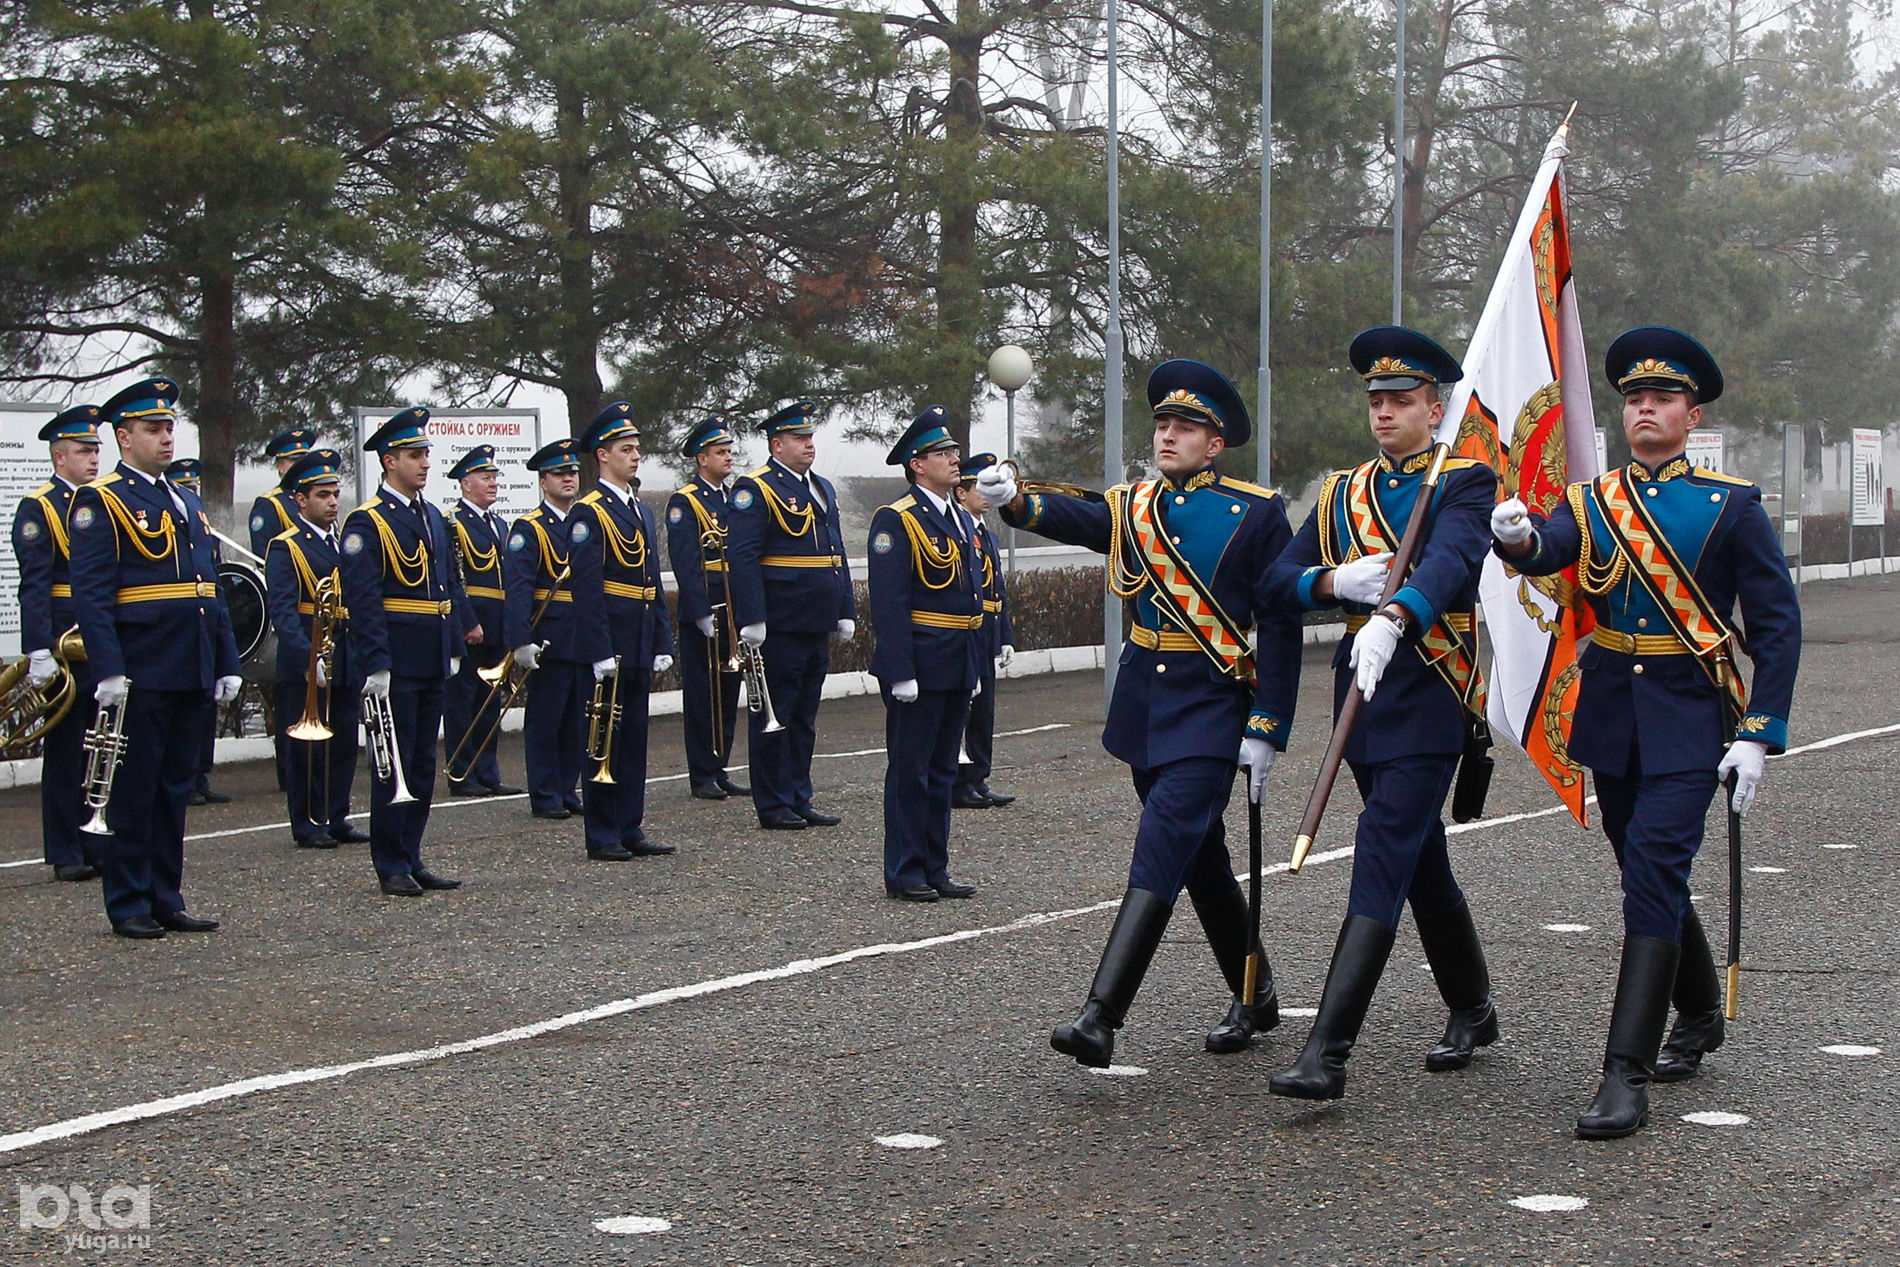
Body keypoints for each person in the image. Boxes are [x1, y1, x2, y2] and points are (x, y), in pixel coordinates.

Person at [1491, 326, 1801, 1139]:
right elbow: (1551, 549)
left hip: (1693, 718)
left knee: (1653, 873)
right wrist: (1520, 537)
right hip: (1614, 716)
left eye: (1661, 399)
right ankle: (1699, 1010)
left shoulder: (1730, 506)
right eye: (1633, 400)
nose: (1645, 410)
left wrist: (1760, 729)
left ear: (1691, 415)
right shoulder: (1596, 502)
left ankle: (1622, 1073)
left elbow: (1776, 626)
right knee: (1644, 867)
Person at [978, 359, 1300, 1065]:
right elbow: (1083, 515)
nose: (1168, 435)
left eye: (1185, 426)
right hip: (1148, 704)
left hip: (1213, 705)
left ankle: (1101, 1013)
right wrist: (1015, 501)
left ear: (1215, 444)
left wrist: (1269, 722)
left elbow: (1278, 622)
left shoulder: (1256, 511)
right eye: (1161, 423)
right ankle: (1257, 991)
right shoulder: (1135, 507)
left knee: (1162, 842)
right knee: (1201, 860)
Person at [1259, 327, 1501, 1102]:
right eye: (1377, 401)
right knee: (1418, 857)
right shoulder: (1341, 491)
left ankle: (1326, 1050)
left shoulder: (1464, 480)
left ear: (1437, 408)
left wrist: (1399, 612)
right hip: (1360, 697)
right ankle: (1473, 1005)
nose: (1386, 413)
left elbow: (1454, 559)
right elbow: (1277, 580)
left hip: (1431, 688)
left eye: (1403, 401)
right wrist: (1334, 584)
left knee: (1382, 849)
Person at [68, 378, 242, 938]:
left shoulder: (185, 501)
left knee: (173, 789)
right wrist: (110, 668)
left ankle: (167, 894)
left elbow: (207, 589)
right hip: (142, 664)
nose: (166, 438)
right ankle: (128, 901)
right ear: (124, 437)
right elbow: (92, 595)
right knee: (135, 788)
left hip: (190, 662)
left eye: (169, 427)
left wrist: (226, 660)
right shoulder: (103, 499)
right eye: (153, 429)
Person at [339, 407, 470, 896]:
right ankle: (389, 862)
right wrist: (376, 662)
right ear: (389, 461)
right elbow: (364, 598)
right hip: (395, 658)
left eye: (426, 455)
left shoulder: (432, 515)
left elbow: (448, 586)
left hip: (431, 654)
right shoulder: (367, 522)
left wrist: (454, 642)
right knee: (391, 764)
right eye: (415, 456)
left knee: (420, 764)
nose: (425, 464)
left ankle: (412, 854)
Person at [868, 407, 985, 901]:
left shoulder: (959, 516)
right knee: (910, 771)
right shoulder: (896, 519)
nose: (955, 459)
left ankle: (936, 866)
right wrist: (899, 671)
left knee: (943, 771)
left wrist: (974, 663)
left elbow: (971, 597)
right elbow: (889, 602)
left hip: (957, 658)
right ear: (917, 464)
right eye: (943, 453)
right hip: (920, 661)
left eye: (954, 451)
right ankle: (905, 870)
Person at [725, 400, 856, 831]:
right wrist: (752, 617)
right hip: (780, 620)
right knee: (773, 714)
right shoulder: (755, 488)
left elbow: (836, 552)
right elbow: (743, 557)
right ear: (776, 444)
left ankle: (800, 794)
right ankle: (774, 800)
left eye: (810, 438)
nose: (808, 445)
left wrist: (844, 608)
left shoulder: (820, 487)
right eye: (799, 439)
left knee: (803, 715)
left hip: (815, 617)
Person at [569, 402, 674, 861]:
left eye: (637, 449)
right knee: (602, 738)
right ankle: (603, 832)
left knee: (633, 738)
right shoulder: (589, 512)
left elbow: (651, 580)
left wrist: (661, 640)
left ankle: (630, 824)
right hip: (609, 639)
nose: (635, 457)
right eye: (625, 449)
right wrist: (599, 649)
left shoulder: (640, 511)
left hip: (637, 638)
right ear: (602, 455)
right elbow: (586, 589)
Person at [12, 403, 104, 883]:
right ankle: (66, 850)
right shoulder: (40, 507)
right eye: (83, 451)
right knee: (67, 747)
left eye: (96, 450)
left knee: (101, 747)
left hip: (100, 634)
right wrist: (39, 648)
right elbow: (34, 583)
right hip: (64, 640)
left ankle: (95, 841)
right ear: (58, 456)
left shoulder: (102, 502)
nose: (92, 459)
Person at [264, 449, 368, 849]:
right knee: (307, 748)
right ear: (300, 500)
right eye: (322, 495)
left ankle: (337, 815)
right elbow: (283, 610)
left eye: (334, 493)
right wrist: (306, 657)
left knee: (343, 742)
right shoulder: (286, 546)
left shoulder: (344, 542)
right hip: (308, 658)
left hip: (343, 652)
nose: (332, 502)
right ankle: (307, 822)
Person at [666, 413, 750, 801]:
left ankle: (720, 765)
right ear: (702, 459)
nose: (728, 458)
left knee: (729, 690)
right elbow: (685, 560)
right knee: (703, 694)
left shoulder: (733, 498)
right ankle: (702, 772)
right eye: (720, 452)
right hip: (708, 607)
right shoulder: (686, 501)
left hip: (733, 604)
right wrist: (699, 609)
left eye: (729, 451)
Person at [504, 437, 585, 821]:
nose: (569, 478)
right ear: (543, 481)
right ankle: (544, 792)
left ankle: (568, 787)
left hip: (581, 635)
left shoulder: (585, 521)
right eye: (559, 473)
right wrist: (521, 640)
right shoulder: (530, 528)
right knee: (546, 719)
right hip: (549, 635)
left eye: (572, 472)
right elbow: (518, 589)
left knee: (576, 719)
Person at [443, 444, 525, 797]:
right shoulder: (452, 522)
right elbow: (454, 579)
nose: (492, 484)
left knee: (490, 703)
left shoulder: (499, 524)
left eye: (494, 477)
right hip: (471, 626)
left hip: (497, 626)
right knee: (462, 703)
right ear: (465, 483)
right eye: (484, 477)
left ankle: (488, 772)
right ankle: (461, 773)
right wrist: (467, 622)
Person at [166, 458, 236, 808]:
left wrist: (228, 659)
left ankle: (199, 775)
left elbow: (212, 580)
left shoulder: (193, 511)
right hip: (162, 640)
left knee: (202, 715)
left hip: (201, 630)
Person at [250, 426, 316, 792]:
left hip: (318, 612)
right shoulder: (270, 506)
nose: (298, 466)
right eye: (293, 460)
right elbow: (268, 557)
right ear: (280, 466)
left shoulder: (315, 498)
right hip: (288, 605)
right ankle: (287, 772)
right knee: (287, 693)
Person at [952, 452, 1016, 810]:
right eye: (979, 488)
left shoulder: (986, 534)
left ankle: (978, 775)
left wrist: (1004, 636)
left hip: (987, 630)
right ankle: (957, 780)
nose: (986, 496)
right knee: (962, 708)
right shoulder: (957, 530)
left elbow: (999, 590)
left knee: (983, 710)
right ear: (961, 492)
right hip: (966, 630)